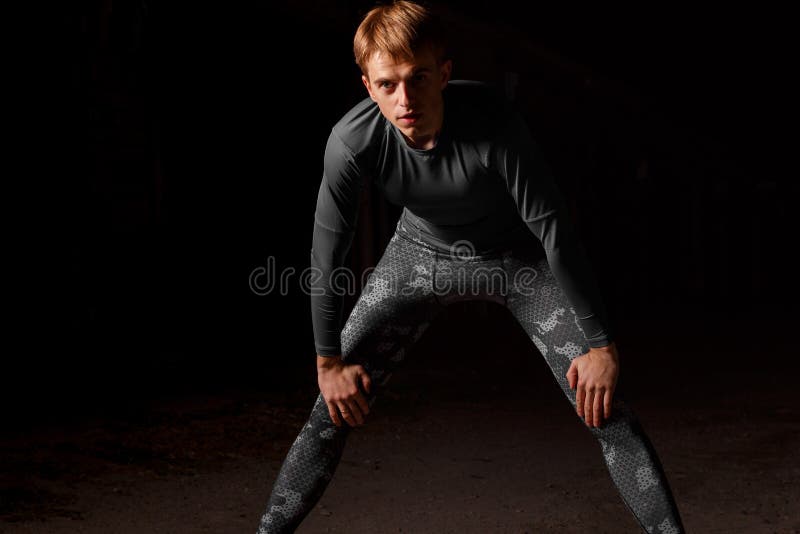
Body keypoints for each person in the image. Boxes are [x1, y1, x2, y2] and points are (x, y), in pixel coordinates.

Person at [257, 1, 685, 532]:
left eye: (418, 78)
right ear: (368, 86)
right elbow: (328, 253)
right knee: (330, 410)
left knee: (605, 406)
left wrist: (601, 346)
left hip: (516, 261)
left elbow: (554, 231)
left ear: (445, 73)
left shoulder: (494, 122)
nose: (405, 98)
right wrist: (327, 364)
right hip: (420, 256)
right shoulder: (352, 141)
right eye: (387, 84)